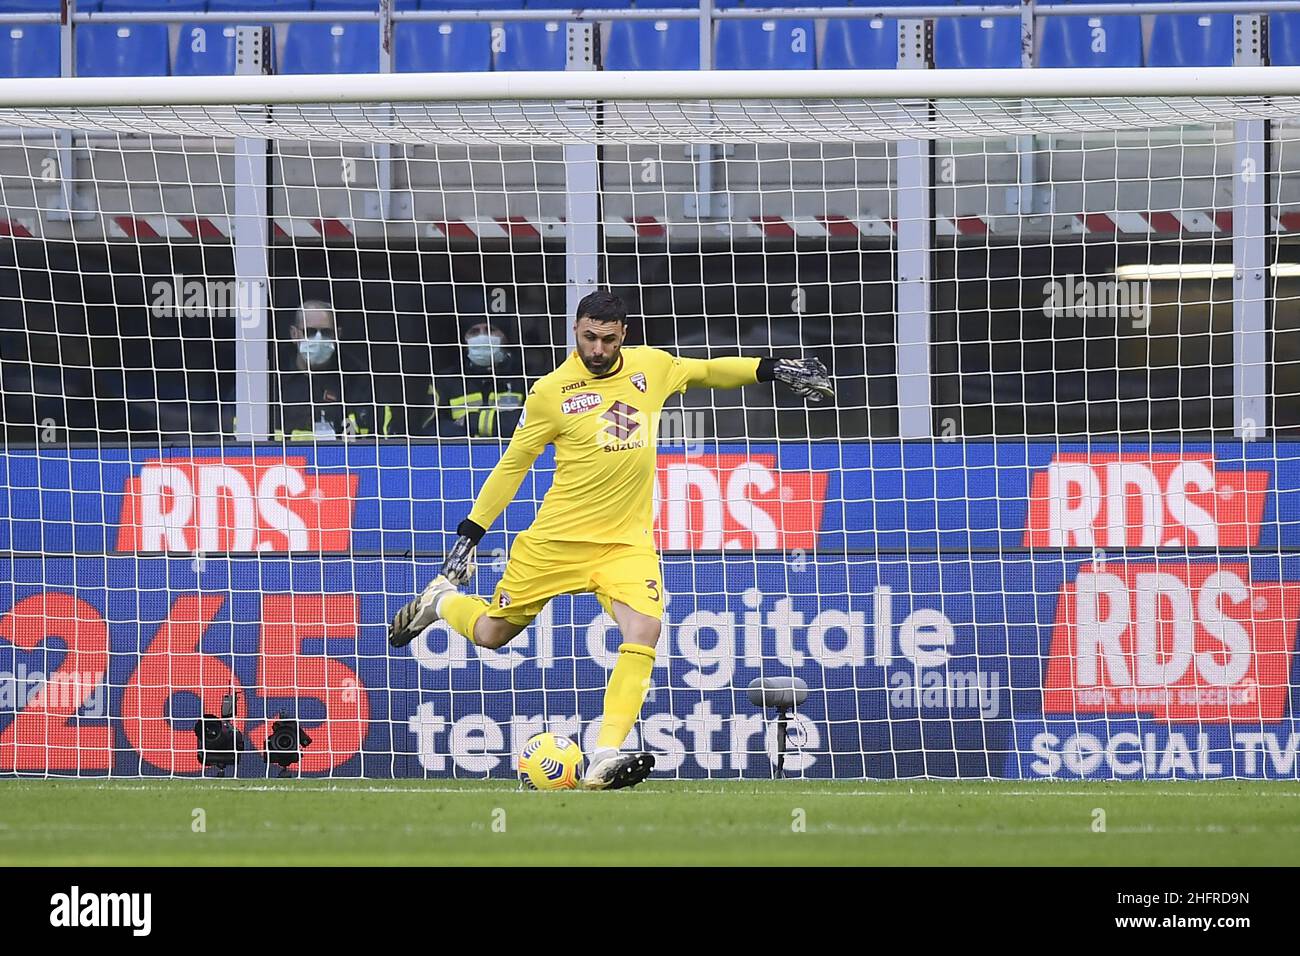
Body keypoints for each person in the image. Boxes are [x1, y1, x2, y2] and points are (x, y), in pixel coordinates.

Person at [387, 289, 833, 790]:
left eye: (607, 339)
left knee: (645, 630)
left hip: (625, 543)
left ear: (623, 336)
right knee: (492, 634)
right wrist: (471, 531)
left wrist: (769, 368)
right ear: (575, 331)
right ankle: (443, 601)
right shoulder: (550, 392)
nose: (597, 349)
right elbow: (513, 466)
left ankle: (605, 754)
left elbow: (709, 371)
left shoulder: (651, 367)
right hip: (555, 542)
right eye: (588, 338)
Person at [275, 300, 398, 440]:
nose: (318, 339)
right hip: (285, 460)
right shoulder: (273, 377)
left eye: (326, 332)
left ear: (337, 335)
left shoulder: (357, 378)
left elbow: (370, 438)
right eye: (310, 332)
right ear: (294, 334)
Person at [420, 319, 527, 438]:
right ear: (464, 340)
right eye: (474, 332)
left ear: (505, 337)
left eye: (490, 330)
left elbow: (533, 424)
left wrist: (470, 422)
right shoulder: (445, 380)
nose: (482, 336)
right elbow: (430, 428)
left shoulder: (525, 377)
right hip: (462, 454)